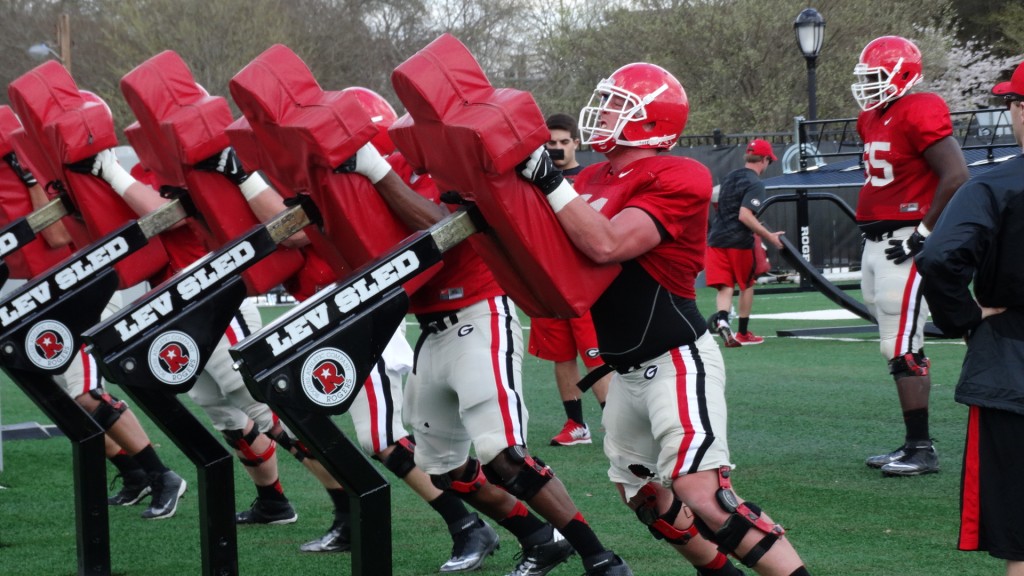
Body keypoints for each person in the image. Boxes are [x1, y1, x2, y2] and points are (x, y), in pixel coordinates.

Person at [517, 62, 810, 575]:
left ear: (651, 121)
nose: (602, 112)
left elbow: (607, 244)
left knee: (703, 493)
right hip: (624, 372)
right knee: (643, 495)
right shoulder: (592, 177)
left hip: (675, 361)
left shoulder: (679, 173)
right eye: (605, 101)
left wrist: (548, 181)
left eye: (617, 104)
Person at [343, 127, 637, 576]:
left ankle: (600, 558)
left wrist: (375, 171)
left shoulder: (449, 168)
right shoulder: (397, 168)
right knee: (443, 470)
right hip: (430, 328)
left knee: (505, 457)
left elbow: (439, 230)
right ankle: (538, 538)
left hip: (477, 312)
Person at [1, 148, 188, 520]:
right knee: (69, 405)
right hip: (48, 299)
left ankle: (164, 476)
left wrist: (28, 178)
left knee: (86, 394)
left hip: (84, 292)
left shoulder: (36, 165)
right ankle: (134, 473)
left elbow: (56, 235)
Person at [916, 61, 1024, 576]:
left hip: (1012, 360)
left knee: (1021, 539)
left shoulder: (997, 185)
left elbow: (939, 257)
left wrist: (965, 317)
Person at [850, 35, 969, 476]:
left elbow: (956, 175)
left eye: (877, 76)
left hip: (905, 239)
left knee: (901, 345)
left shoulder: (920, 108)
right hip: (878, 241)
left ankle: (922, 448)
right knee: (893, 339)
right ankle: (912, 444)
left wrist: (923, 233)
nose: (868, 86)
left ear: (903, 74)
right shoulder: (870, 117)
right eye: (865, 77)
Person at [529, 112, 611, 446]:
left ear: (577, 142)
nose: (558, 148)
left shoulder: (591, 178)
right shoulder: (532, 182)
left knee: (594, 354)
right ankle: (576, 424)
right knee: (560, 354)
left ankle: (615, 424)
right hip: (548, 279)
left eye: (564, 142)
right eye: (551, 143)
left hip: (583, 282)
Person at [705, 139, 785, 347]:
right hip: (738, 242)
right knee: (747, 284)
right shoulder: (755, 183)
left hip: (716, 239)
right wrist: (770, 236)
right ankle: (742, 333)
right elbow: (745, 215)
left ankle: (722, 320)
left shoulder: (730, 177)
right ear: (765, 159)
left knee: (725, 286)